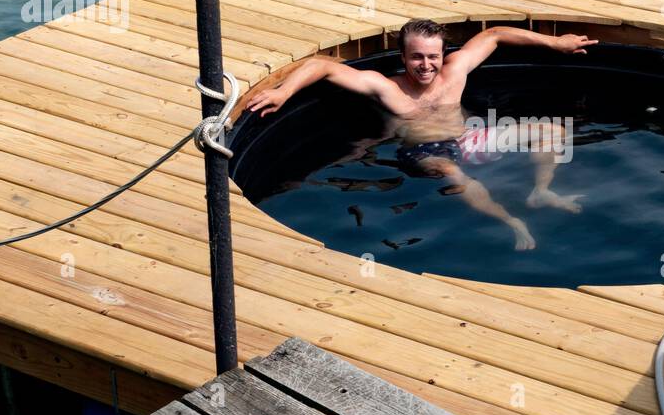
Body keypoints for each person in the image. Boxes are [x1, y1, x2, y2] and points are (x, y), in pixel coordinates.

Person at [244, 18, 597, 250]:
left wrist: (555, 43)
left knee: (551, 131)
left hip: (468, 139)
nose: (426, 65)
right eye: (416, 58)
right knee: (452, 173)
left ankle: (541, 190)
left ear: (445, 54)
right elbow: (321, 66)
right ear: (403, 56)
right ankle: (513, 222)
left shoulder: (456, 70)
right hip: (424, 151)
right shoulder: (386, 88)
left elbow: (495, 35)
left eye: (432, 57)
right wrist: (282, 93)